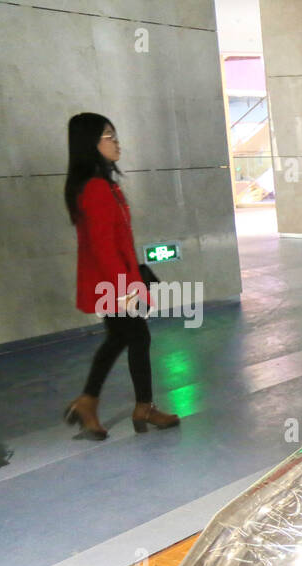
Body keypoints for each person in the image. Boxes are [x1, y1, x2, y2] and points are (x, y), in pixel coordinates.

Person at [62, 113, 178, 440]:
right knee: (134, 337)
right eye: (108, 136)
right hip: (112, 283)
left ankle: (104, 404)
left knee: (126, 338)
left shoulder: (101, 184)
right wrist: (125, 289)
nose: (117, 142)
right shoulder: (96, 188)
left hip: (113, 280)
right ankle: (133, 406)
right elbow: (103, 247)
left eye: (115, 135)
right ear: (90, 143)